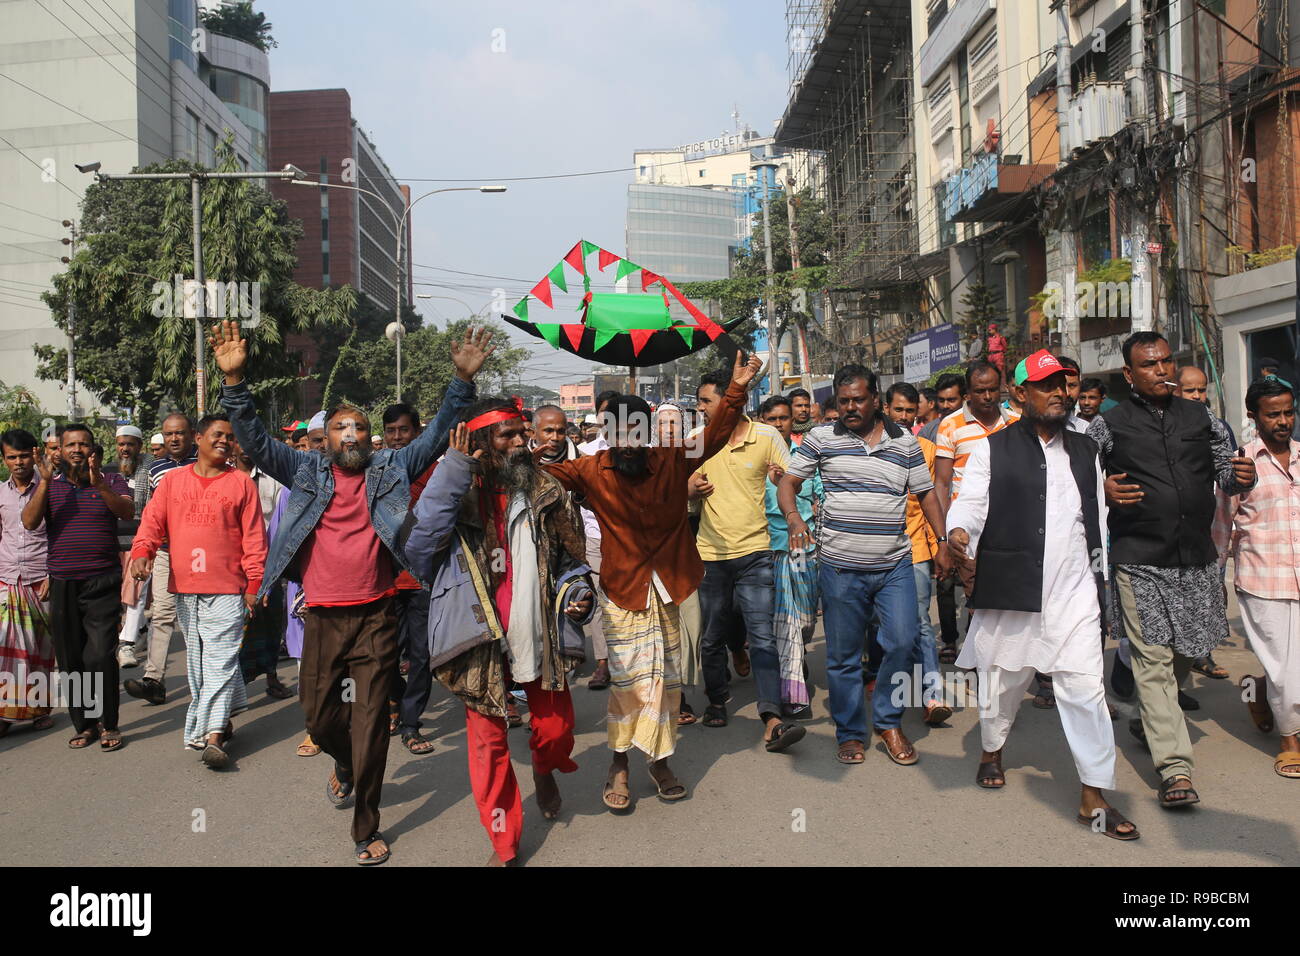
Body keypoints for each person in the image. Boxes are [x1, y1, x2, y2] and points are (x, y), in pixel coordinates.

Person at [212, 318, 490, 865]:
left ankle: (367, 825)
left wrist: (460, 384)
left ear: (370, 437)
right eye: (340, 428)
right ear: (327, 436)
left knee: (370, 725)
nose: (350, 436)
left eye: (359, 428)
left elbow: (434, 439)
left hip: (377, 618)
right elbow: (254, 442)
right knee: (319, 719)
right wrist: (235, 383)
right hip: (322, 619)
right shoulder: (305, 470)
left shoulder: (390, 466)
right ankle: (343, 764)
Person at [541, 352, 764, 811]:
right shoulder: (590, 469)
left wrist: (738, 386)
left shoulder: (673, 460)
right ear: (607, 434)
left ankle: (660, 761)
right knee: (628, 682)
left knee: (665, 682)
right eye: (616, 433)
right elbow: (538, 477)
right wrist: (534, 449)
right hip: (623, 592)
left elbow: (718, 431)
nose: (625, 443)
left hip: (672, 586)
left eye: (633, 433)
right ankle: (620, 763)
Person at [947, 350, 1138, 840]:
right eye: (1046, 385)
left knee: (1085, 691)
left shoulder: (1085, 449)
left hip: (1074, 594)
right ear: (1020, 393)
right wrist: (960, 532)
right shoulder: (994, 448)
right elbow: (969, 501)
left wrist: (1101, 582)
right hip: (1013, 589)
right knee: (1004, 682)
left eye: (1064, 385)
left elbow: (1095, 520)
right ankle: (991, 749)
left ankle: (1094, 794)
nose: (1059, 392)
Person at [407, 408, 594, 866]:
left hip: (538, 634)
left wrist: (578, 590)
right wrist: (452, 468)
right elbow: (418, 544)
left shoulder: (547, 490)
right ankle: (503, 842)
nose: (519, 442)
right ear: (484, 440)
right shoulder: (458, 493)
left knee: (555, 730)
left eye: (520, 433)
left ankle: (546, 768)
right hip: (480, 640)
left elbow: (574, 559)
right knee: (488, 745)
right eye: (506, 435)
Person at [1087, 331, 1256, 809]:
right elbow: (1076, 476)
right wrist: (1104, 489)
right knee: (1154, 660)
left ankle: (1146, 718)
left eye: (1166, 362)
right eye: (1149, 364)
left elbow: (1228, 470)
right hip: (1139, 558)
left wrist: (1244, 476)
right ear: (1129, 374)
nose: (1161, 370)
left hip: (1197, 557)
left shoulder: (1201, 417)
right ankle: (1175, 770)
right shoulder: (1108, 424)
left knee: (1193, 645)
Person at [778, 364, 951, 767]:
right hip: (839, 567)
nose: (851, 408)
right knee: (842, 655)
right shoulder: (822, 438)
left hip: (894, 566)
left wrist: (941, 542)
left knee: (904, 642)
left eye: (858, 400)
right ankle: (851, 731)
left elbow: (926, 496)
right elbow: (788, 482)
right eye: (844, 401)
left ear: (876, 399)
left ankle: (888, 722)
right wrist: (794, 518)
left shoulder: (906, 443)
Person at [129, 414, 266, 768]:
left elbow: (254, 539)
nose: (225, 441)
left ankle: (212, 735)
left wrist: (254, 583)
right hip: (185, 589)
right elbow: (151, 523)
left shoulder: (241, 484)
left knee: (219, 659)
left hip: (229, 588)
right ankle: (225, 715)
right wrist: (142, 552)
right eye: (218, 435)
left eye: (231, 437)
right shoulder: (172, 483)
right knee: (201, 663)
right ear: (199, 438)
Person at [691, 366, 801, 752]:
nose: (700, 408)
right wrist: (689, 489)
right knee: (712, 637)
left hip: (756, 552)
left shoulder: (767, 436)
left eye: (706, 401)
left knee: (763, 637)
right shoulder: (696, 440)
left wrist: (781, 481)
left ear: (730, 399)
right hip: (710, 555)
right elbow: (672, 493)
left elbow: (792, 480)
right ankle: (717, 700)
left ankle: (772, 716)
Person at [23, 424, 134, 751]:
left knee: (100, 653)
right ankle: (84, 724)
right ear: (60, 449)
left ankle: (108, 722)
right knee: (71, 658)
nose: (76, 449)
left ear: (93, 451)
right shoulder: (49, 485)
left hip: (103, 579)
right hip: (63, 582)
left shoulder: (111, 480)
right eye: (70, 444)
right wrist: (43, 481)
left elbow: (127, 512)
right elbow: (29, 522)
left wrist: (99, 483)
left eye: (83, 444)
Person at [1212, 377, 1299, 779]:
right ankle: (1290, 740)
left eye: (1288, 412)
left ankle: (1258, 689)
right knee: (1285, 666)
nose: (1283, 421)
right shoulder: (1239, 465)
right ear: (1253, 417)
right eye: (1273, 414)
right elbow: (1221, 526)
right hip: (1262, 579)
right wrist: (1213, 579)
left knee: (1289, 666)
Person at [933, 360, 1018, 665]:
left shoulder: (1018, 422)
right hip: (967, 532)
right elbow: (941, 484)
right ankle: (980, 665)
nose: (987, 396)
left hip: (1010, 529)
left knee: (1007, 603)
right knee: (977, 602)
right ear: (967, 393)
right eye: (979, 391)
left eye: (993, 389)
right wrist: (942, 537)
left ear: (1002, 388)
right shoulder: (950, 426)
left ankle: (1001, 664)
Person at [881, 383, 949, 725]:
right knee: (884, 625)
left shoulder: (928, 449)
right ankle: (888, 684)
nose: (905, 417)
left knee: (921, 622)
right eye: (898, 410)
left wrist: (940, 547)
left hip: (916, 548)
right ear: (885, 409)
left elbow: (931, 502)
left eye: (910, 410)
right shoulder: (872, 447)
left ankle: (932, 695)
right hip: (876, 551)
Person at [123, 412, 197, 706]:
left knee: (195, 619)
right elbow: (154, 514)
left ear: (192, 434)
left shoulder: (206, 464)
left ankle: (204, 681)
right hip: (167, 552)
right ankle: (154, 679)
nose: (174, 439)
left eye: (179, 433)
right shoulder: (157, 469)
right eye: (168, 435)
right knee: (163, 615)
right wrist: (147, 550)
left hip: (198, 554)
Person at [758, 395, 821, 720]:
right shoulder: (756, 462)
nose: (780, 423)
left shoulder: (806, 457)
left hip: (805, 550)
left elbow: (820, 497)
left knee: (806, 619)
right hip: (774, 548)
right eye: (773, 419)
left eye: (784, 418)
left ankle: (797, 655)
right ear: (762, 421)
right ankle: (794, 694)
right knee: (788, 619)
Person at [381, 402, 437, 754]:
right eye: (391, 431)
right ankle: (397, 702)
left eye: (403, 430)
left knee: (422, 655)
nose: (397, 437)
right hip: (381, 578)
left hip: (422, 578)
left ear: (417, 431)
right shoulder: (374, 469)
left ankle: (411, 723)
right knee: (381, 654)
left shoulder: (434, 471)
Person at [0, 429, 54, 738]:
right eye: (12, 457)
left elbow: (59, 536)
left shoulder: (51, 488)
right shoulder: (1, 492)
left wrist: (51, 573)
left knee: (39, 649)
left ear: (34, 455)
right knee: (9, 649)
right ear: (4, 459)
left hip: (41, 578)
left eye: (23, 456)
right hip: (8, 579)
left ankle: (40, 709)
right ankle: (7, 712)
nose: (18, 462)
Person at [229, 437, 291, 700]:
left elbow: (281, 518)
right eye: (240, 442)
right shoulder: (227, 478)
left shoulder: (272, 478)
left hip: (267, 559)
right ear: (234, 446)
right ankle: (234, 685)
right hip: (233, 563)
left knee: (271, 620)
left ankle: (272, 676)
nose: (246, 447)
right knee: (237, 626)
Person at [576, 390, 619, 689]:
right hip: (594, 536)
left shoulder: (644, 448)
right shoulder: (585, 452)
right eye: (606, 413)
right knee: (598, 601)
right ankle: (603, 663)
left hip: (631, 538)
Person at [111, 425, 155, 669]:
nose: (125, 449)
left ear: (140, 446)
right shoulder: (107, 472)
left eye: (130, 444)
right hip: (112, 543)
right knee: (119, 595)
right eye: (121, 444)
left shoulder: (150, 471)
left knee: (136, 591)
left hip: (141, 542)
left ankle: (126, 644)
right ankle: (140, 629)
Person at [918, 372, 965, 444]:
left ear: (964, 399)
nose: (945, 405)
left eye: (951, 400)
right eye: (941, 400)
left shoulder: (976, 426)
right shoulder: (927, 433)